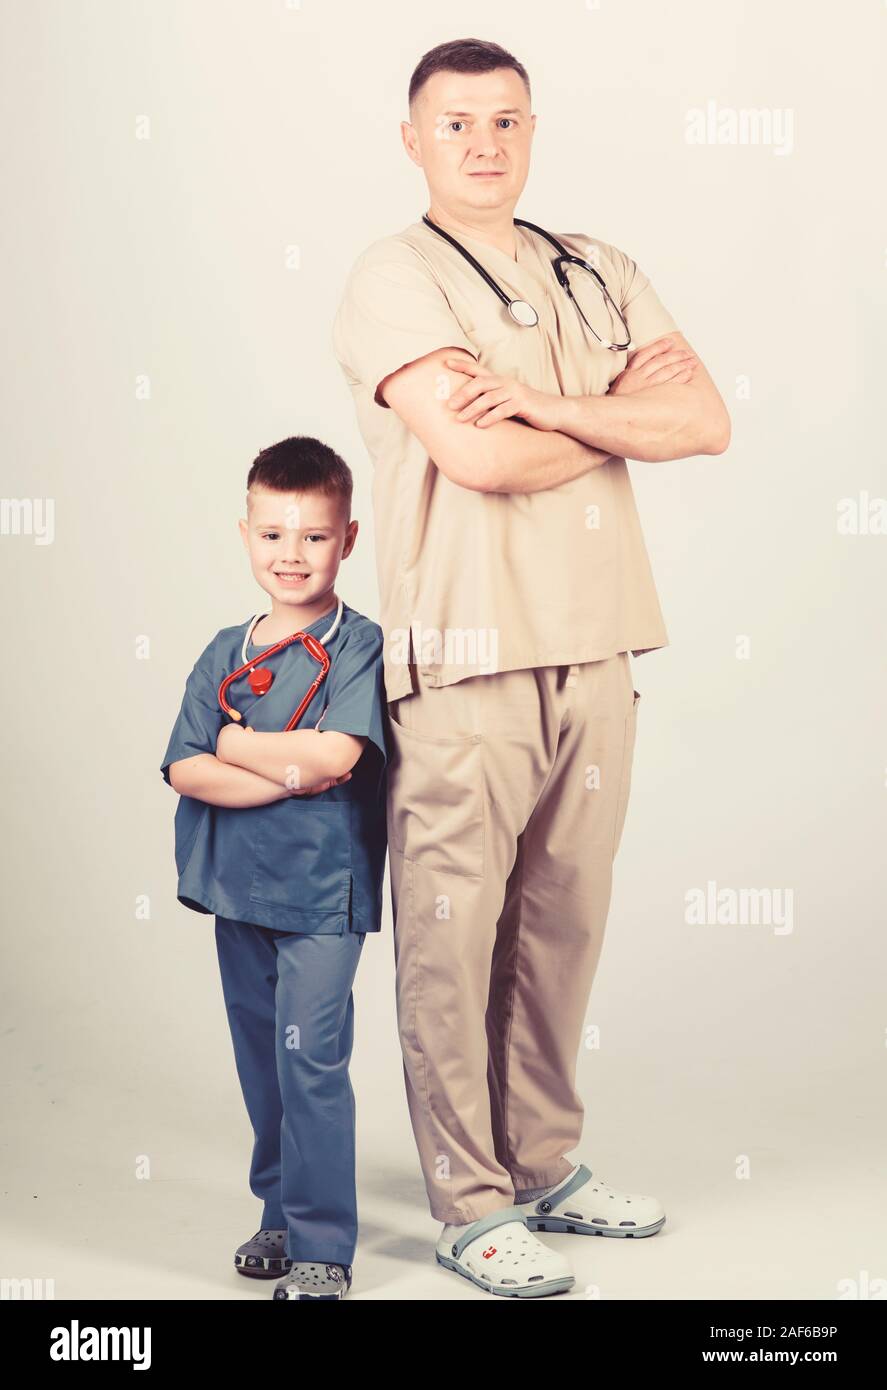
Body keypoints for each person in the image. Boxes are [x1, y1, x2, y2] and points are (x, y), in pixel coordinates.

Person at [332, 38, 730, 1298]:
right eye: (456, 124)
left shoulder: (595, 267)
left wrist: (547, 400)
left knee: (561, 924)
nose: (483, 144)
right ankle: (467, 1199)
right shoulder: (391, 278)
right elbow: (479, 460)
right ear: (413, 139)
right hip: (464, 650)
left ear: (531, 130)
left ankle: (543, 1160)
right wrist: (612, 404)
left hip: (598, 642)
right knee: (453, 934)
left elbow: (703, 421)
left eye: (504, 121)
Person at [159, 436, 388, 1301]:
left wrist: (238, 744)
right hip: (235, 887)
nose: (291, 556)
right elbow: (185, 768)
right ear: (245, 534)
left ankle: (324, 1245)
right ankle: (280, 1215)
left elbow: (333, 761)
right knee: (261, 1054)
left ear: (349, 538)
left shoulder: (358, 646)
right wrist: (268, 765)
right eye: (273, 536)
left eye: (314, 537)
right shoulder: (225, 650)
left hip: (322, 894)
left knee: (310, 1061)